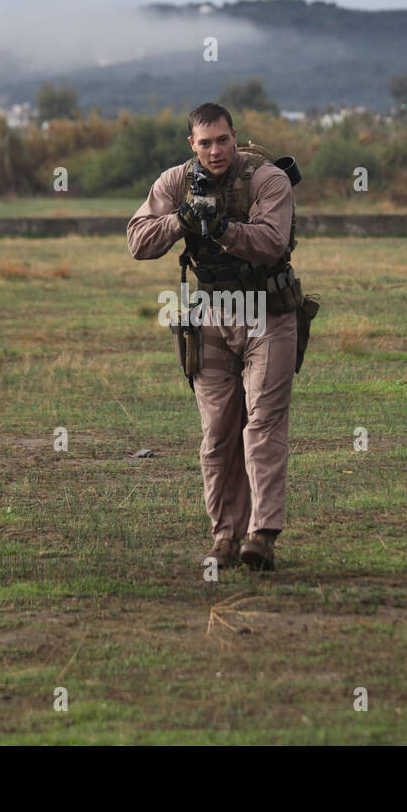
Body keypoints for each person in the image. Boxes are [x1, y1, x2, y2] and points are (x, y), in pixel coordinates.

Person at [127, 103, 304, 571]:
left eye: (222, 140)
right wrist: (181, 221)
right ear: (192, 144)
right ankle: (224, 539)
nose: (214, 150)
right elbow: (137, 241)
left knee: (262, 425)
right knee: (217, 436)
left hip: (269, 313)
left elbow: (272, 241)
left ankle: (261, 536)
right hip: (210, 317)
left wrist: (223, 228)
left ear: (234, 136)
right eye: (204, 143)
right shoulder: (176, 181)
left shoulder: (267, 179)